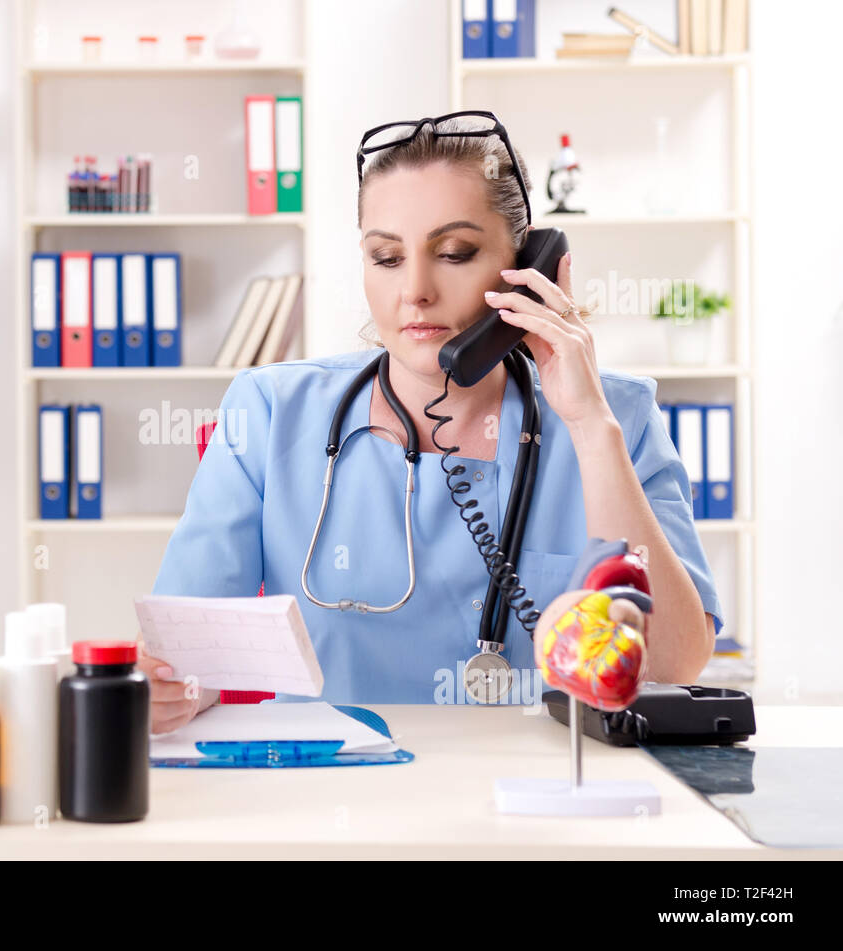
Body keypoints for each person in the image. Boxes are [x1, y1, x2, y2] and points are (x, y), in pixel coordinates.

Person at [139, 113, 722, 734]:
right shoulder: (272, 410)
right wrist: (165, 690)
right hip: (332, 794)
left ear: (529, 264)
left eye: (454, 253)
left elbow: (673, 662)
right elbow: (187, 662)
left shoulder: (617, 418)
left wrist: (587, 426)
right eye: (386, 257)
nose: (414, 290)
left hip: (539, 799)